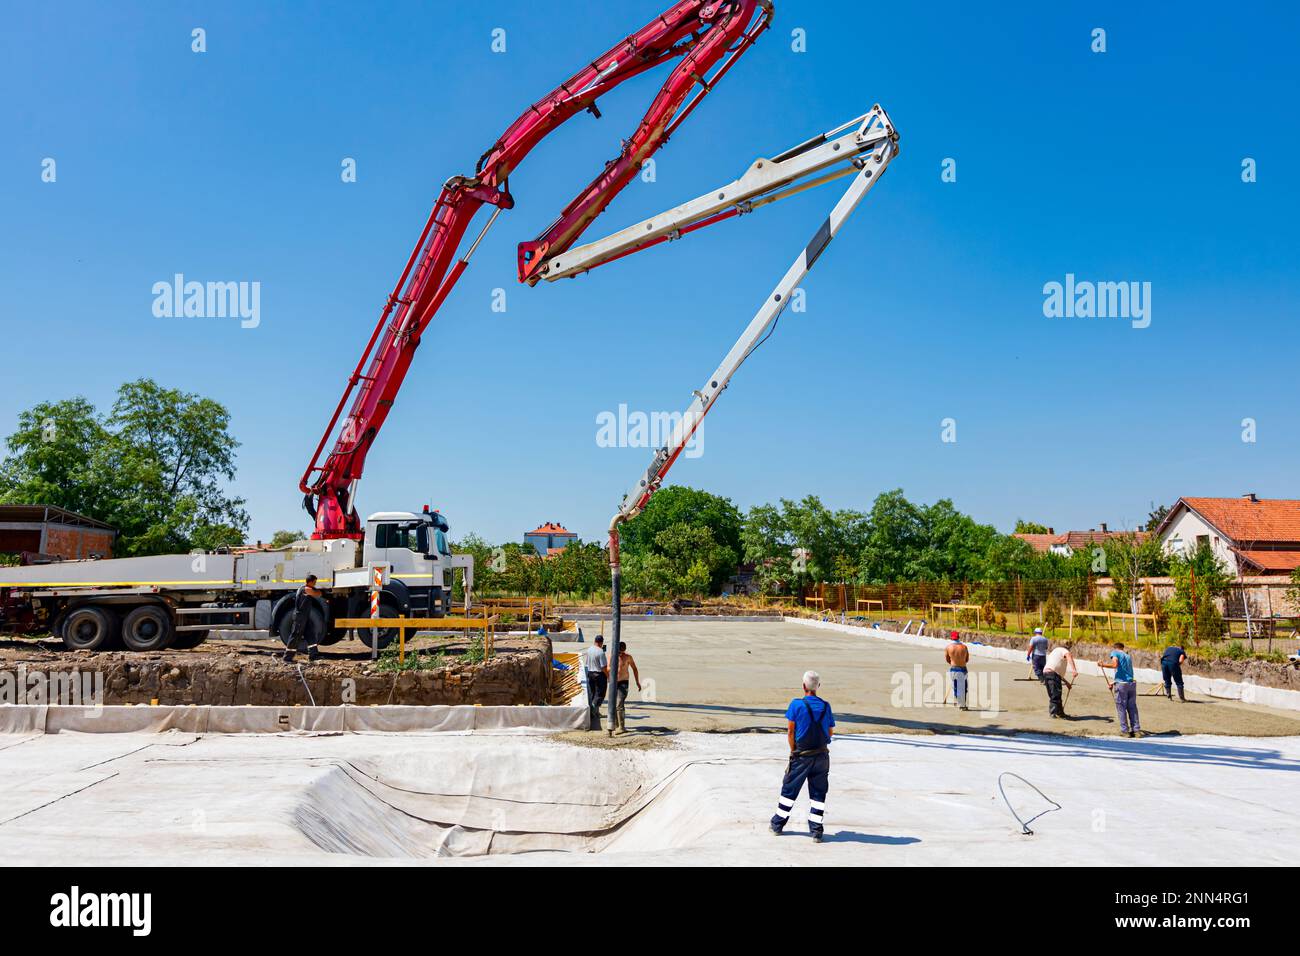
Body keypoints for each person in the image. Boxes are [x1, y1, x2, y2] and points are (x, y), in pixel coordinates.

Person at [770, 670, 835, 843]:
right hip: (822, 756)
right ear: (818, 686)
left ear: (803, 686)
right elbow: (830, 731)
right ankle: (816, 831)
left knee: (789, 790)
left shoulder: (796, 705)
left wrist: (793, 751)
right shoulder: (826, 706)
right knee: (818, 794)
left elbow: (790, 731)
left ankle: (777, 825)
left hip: (802, 755)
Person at [1099, 641, 1141, 737]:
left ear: (1115, 648)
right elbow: (1125, 673)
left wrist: (1103, 665)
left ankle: (1125, 731)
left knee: (1121, 707)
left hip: (1122, 685)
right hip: (1131, 683)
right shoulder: (1127, 656)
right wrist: (1114, 682)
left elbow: (1115, 665)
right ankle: (1136, 730)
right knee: (1132, 707)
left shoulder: (1115, 653)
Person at [283, 574, 322, 663]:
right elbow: (317, 594)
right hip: (300, 617)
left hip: (305, 617)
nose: (315, 584)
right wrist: (319, 592)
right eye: (314, 582)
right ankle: (287, 657)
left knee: (310, 634)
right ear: (310, 582)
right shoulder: (305, 589)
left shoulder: (306, 588)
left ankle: (313, 655)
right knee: (296, 635)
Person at [611, 641, 640, 733]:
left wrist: (637, 682)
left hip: (624, 682)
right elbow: (607, 667)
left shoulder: (628, 657)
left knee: (619, 703)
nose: (620, 654)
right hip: (614, 682)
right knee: (613, 703)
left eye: (621, 652)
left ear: (624, 650)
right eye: (618, 652)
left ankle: (622, 727)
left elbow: (634, 669)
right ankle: (616, 724)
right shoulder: (613, 656)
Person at [1042, 643, 1078, 718]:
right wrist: (1074, 670)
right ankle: (1053, 713)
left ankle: (1060, 713)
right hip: (1053, 674)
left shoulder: (1055, 652)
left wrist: (1067, 683)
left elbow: (1057, 672)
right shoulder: (1064, 651)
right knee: (1055, 695)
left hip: (1047, 673)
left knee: (1054, 694)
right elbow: (1069, 656)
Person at [584, 635, 609, 725]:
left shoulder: (589, 649)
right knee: (600, 694)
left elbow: (587, 663)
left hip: (590, 673)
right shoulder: (600, 652)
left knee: (593, 693)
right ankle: (593, 710)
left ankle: (595, 711)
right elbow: (604, 667)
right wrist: (608, 676)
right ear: (601, 642)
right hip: (599, 675)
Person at [945, 630, 970, 709]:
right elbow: (967, 659)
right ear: (959, 637)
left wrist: (953, 663)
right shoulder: (964, 647)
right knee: (964, 688)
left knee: (956, 687)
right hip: (963, 669)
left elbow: (947, 659)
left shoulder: (948, 647)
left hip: (954, 669)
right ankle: (963, 705)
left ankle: (959, 701)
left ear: (952, 638)